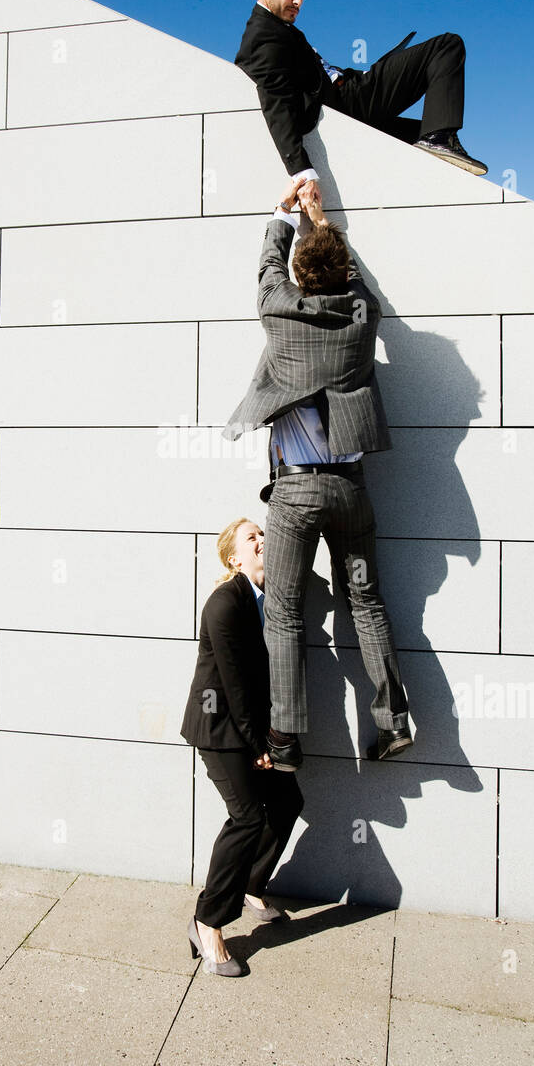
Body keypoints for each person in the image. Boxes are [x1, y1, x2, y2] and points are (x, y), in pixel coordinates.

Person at [223, 179, 412, 774]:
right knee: (367, 600)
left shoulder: (282, 315)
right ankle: (395, 722)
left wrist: (285, 214)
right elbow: (355, 286)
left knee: (283, 611)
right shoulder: (362, 320)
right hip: (351, 490)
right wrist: (322, 221)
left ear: (303, 279)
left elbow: (267, 273)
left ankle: (285, 742)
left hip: (298, 491)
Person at [235, 0, 487, 207]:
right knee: (446, 46)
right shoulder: (262, 36)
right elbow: (276, 102)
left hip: (353, 89)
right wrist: (302, 172)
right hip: (351, 102)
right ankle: (438, 139)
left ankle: (435, 147)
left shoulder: (277, 28)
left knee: (421, 133)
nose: (298, 1)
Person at [180, 517, 304, 977]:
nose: (263, 540)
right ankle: (207, 920)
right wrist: (259, 746)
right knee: (248, 817)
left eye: (264, 534)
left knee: (288, 800)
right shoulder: (225, 603)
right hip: (220, 730)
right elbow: (233, 686)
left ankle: (252, 885)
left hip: (249, 727)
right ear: (234, 557)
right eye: (252, 537)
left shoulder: (267, 601)